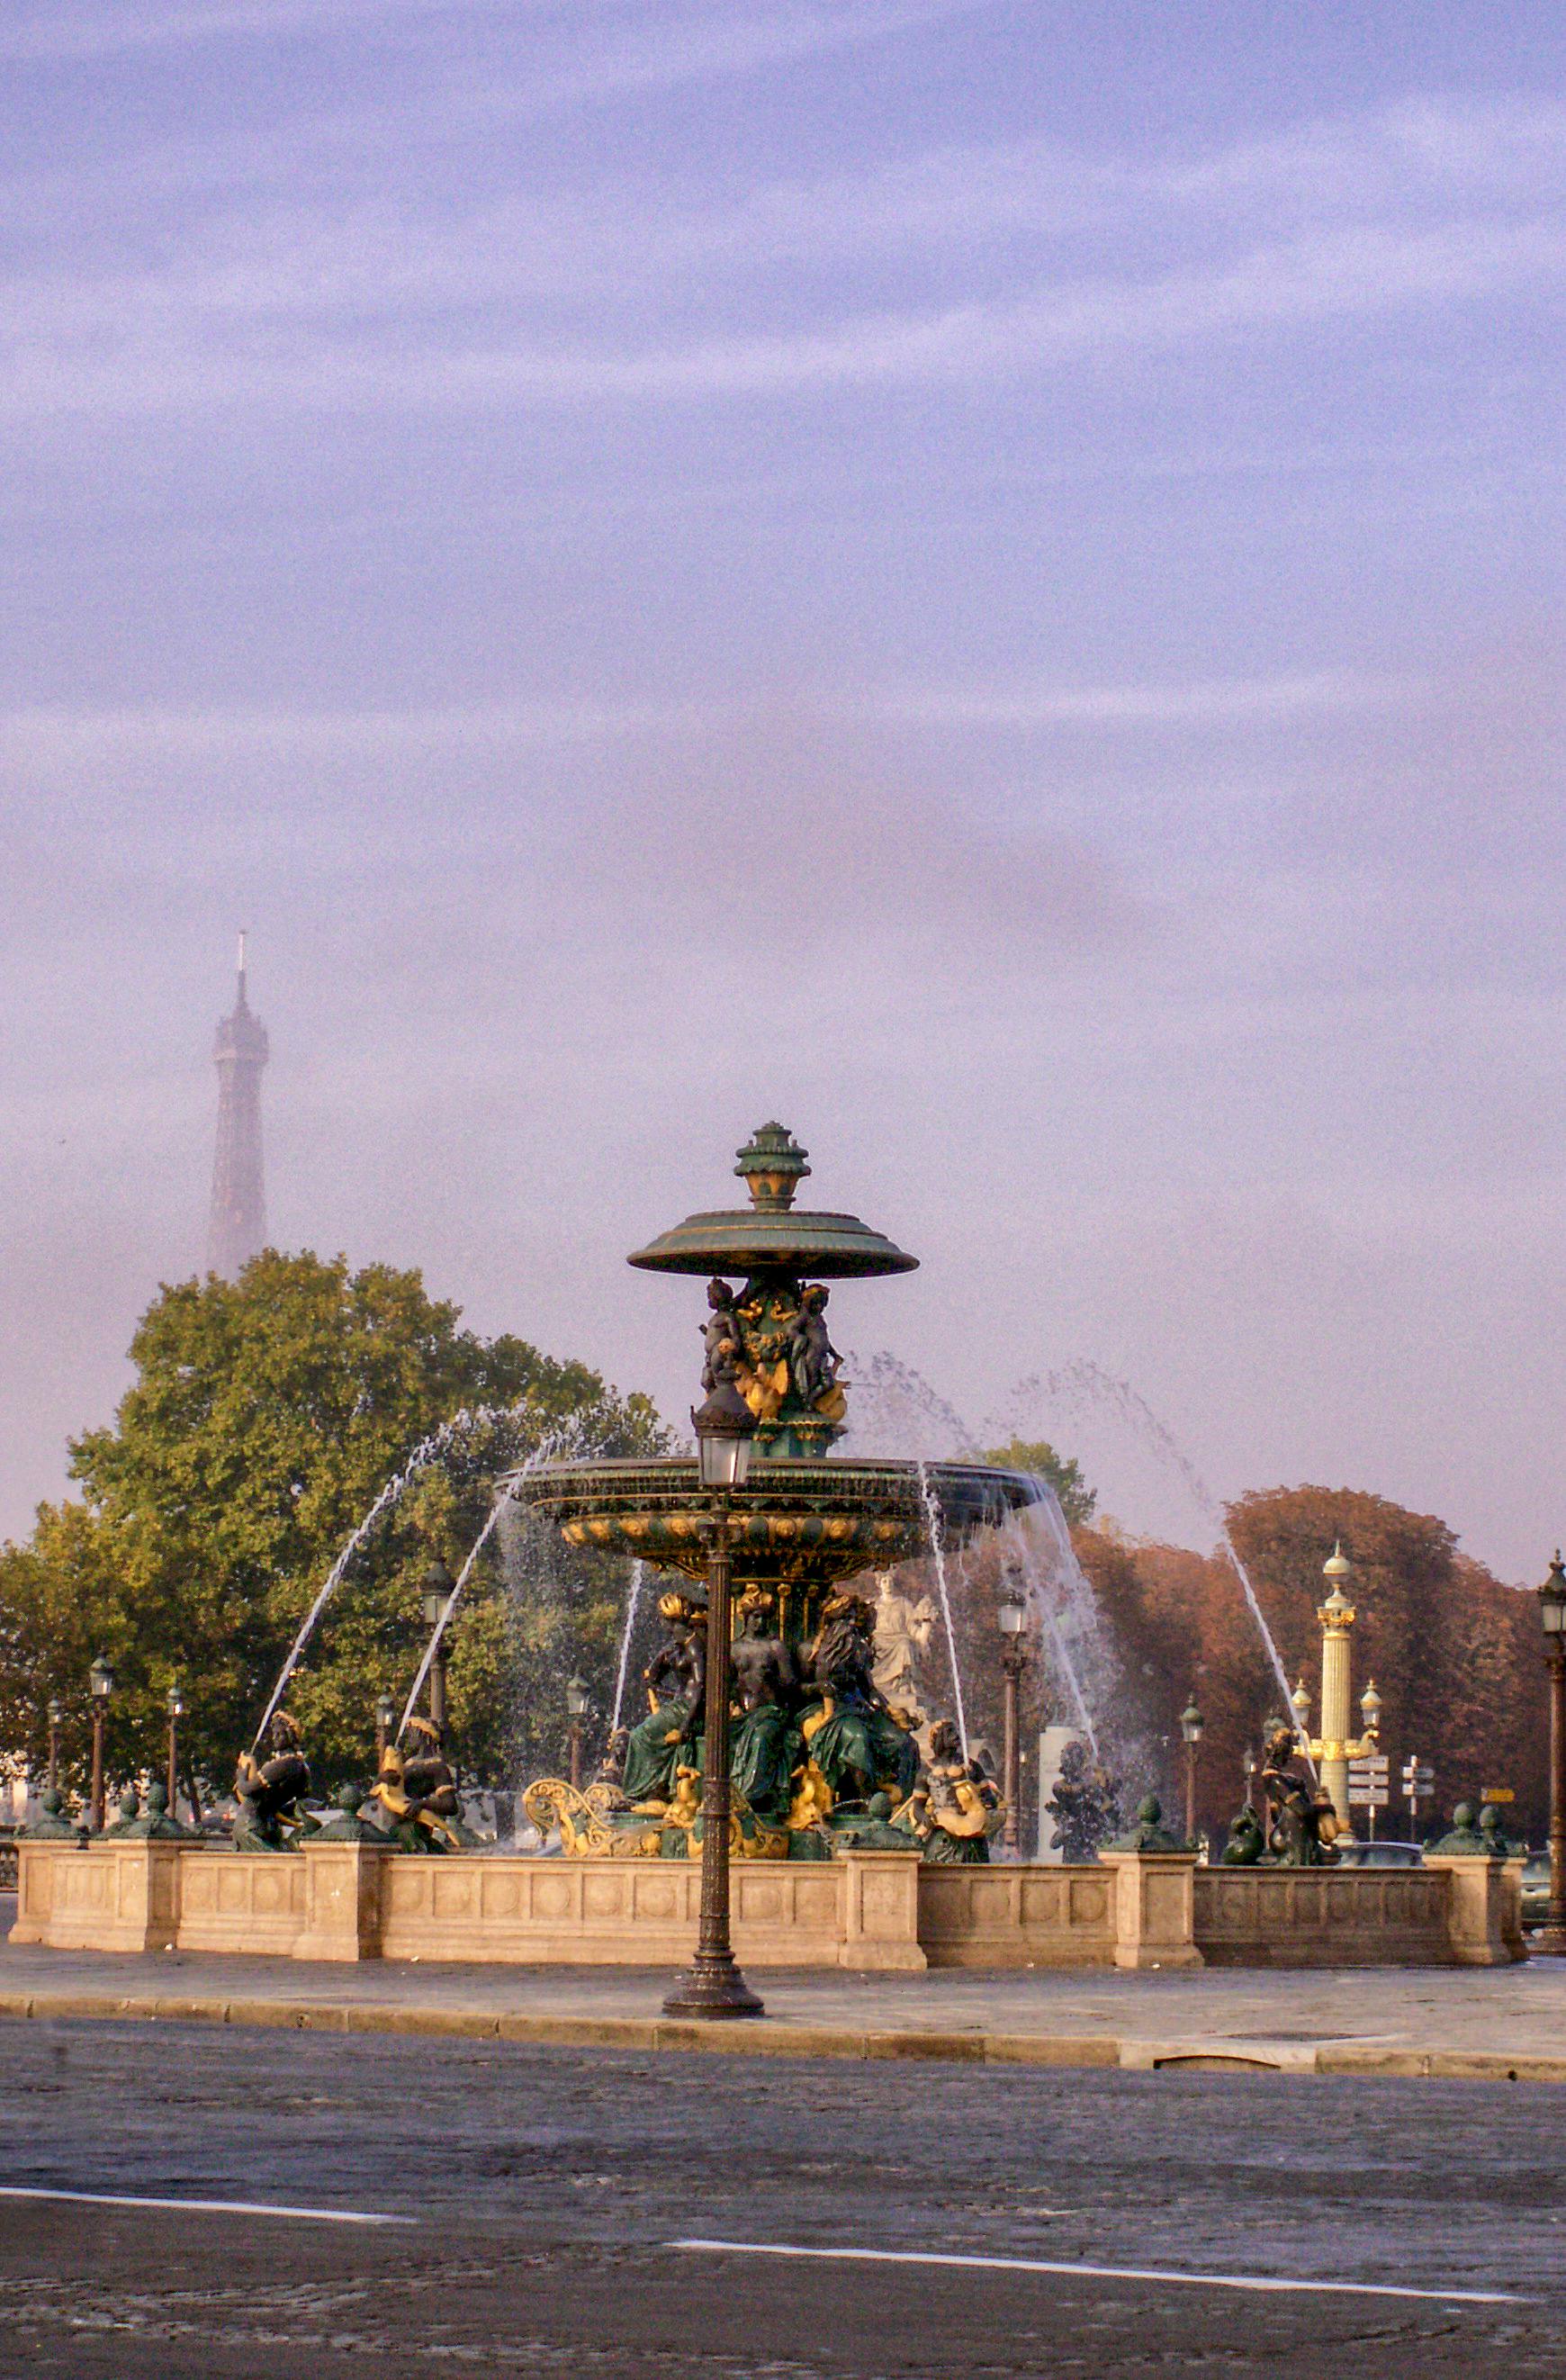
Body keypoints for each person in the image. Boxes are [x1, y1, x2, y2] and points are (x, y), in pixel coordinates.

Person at [621, 1591, 706, 1808]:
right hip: (680, 1703)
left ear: (670, 1619)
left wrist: (684, 1728)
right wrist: (670, 1691)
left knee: (640, 1736)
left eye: (662, 1617)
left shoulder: (695, 1646)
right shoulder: (675, 1647)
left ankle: (638, 1792)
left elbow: (700, 1688)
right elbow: (652, 1678)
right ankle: (656, 1787)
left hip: (691, 1709)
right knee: (643, 1735)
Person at [729, 1589, 802, 1826]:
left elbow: (791, 1685)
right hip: (741, 1714)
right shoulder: (732, 1648)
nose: (760, 1622)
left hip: (771, 1712)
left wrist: (772, 1683)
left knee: (760, 1739)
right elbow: (726, 1684)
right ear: (745, 1617)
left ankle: (747, 1797)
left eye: (764, 1617)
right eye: (755, 1616)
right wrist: (730, 1705)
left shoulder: (775, 1648)